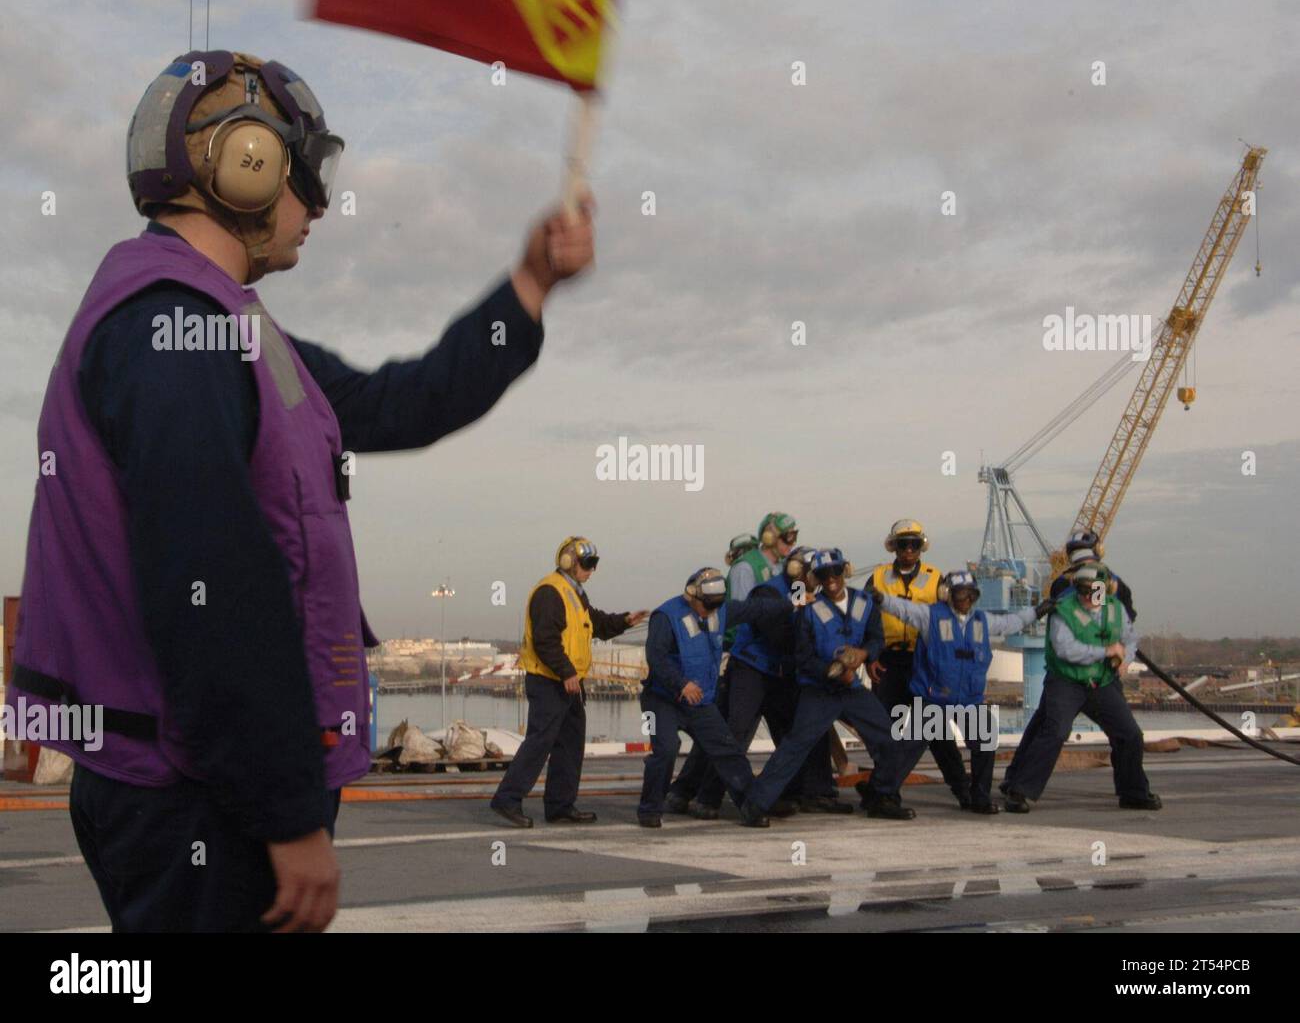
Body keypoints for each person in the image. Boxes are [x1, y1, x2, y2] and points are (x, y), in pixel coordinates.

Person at [6, 50, 594, 933]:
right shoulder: (170, 332)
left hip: (197, 788)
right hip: (196, 801)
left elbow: (409, 400)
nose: (318, 204)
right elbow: (212, 588)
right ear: (247, 163)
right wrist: (284, 814)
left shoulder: (229, 330)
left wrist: (530, 284)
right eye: (307, 171)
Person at [739, 549, 920, 825]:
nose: (831, 579)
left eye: (835, 572)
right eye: (824, 574)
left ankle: (882, 796)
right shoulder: (808, 612)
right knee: (795, 746)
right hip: (819, 690)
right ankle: (755, 804)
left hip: (853, 689)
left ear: (844, 572)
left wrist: (863, 655)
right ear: (817, 578)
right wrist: (833, 671)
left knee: (888, 740)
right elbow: (803, 658)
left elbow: (876, 639)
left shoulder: (865, 602)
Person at [491, 537, 648, 827]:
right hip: (551, 681)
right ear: (568, 562)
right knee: (540, 742)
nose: (591, 570)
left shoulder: (574, 594)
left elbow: (595, 623)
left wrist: (626, 620)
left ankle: (561, 806)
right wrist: (566, 672)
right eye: (587, 564)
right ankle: (507, 800)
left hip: (569, 683)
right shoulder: (550, 592)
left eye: (594, 565)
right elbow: (545, 640)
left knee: (570, 745)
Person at [665, 512, 807, 818]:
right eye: (787, 537)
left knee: (750, 732)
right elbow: (742, 614)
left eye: (794, 538)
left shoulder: (782, 571)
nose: (791, 543)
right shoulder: (747, 568)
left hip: (774, 665)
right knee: (732, 734)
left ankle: (688, 791)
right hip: (749, 661)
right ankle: (707, 796)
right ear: (770, 536)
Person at [873, 571, 1046, 813]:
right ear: (948, 595)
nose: (965, 599)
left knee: (985, 743)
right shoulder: (930, 616)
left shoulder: (983, 621)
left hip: (970, 699)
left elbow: (1011, 623)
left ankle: (980, 797)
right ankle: (883, 794)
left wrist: (1036, 612)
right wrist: (881, 599)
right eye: (960, 594)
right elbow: (903, 608)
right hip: (935, 698)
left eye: (970, 594)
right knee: (909, 748)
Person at [1000, 564, 1162, 813]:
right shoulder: (1062, 611)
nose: (1088, 596)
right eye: (1083, 590)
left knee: (1129, 735)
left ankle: (1133, 792)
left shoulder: (1116, 609)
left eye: (1094, 590)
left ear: (1105, 589)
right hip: (1067, 681)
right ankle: (1020, 790)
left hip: (1101, 682)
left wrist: (1125, 659)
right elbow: (1067, 649)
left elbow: (1130, 639)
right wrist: (1107, 652)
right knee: (1054, 732)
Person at [636, 568, 770, 828]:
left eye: (715, 606)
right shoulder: (666, 616)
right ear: (691, 595)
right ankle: (650, 809)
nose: (709, 611)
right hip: (660, 700)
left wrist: (793, 602)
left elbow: (755, 608)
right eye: (706, 605)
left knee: (727, 748)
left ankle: (750, 806)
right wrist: (681, 684)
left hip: (699, 701)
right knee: (665, 748)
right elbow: (657, 657)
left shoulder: (718, 611)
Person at [871, 519, 972, 808]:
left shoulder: (936, 578)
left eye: (915, 544)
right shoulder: (877, 578)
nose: (909, 550)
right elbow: (866, 618)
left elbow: (950, 619)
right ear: (894, 547)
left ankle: (962, 789)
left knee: (937, 728)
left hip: (923, 661)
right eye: (904, 544)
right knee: (888, 730)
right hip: (888, 662)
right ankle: (885, 790)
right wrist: (871, 656)